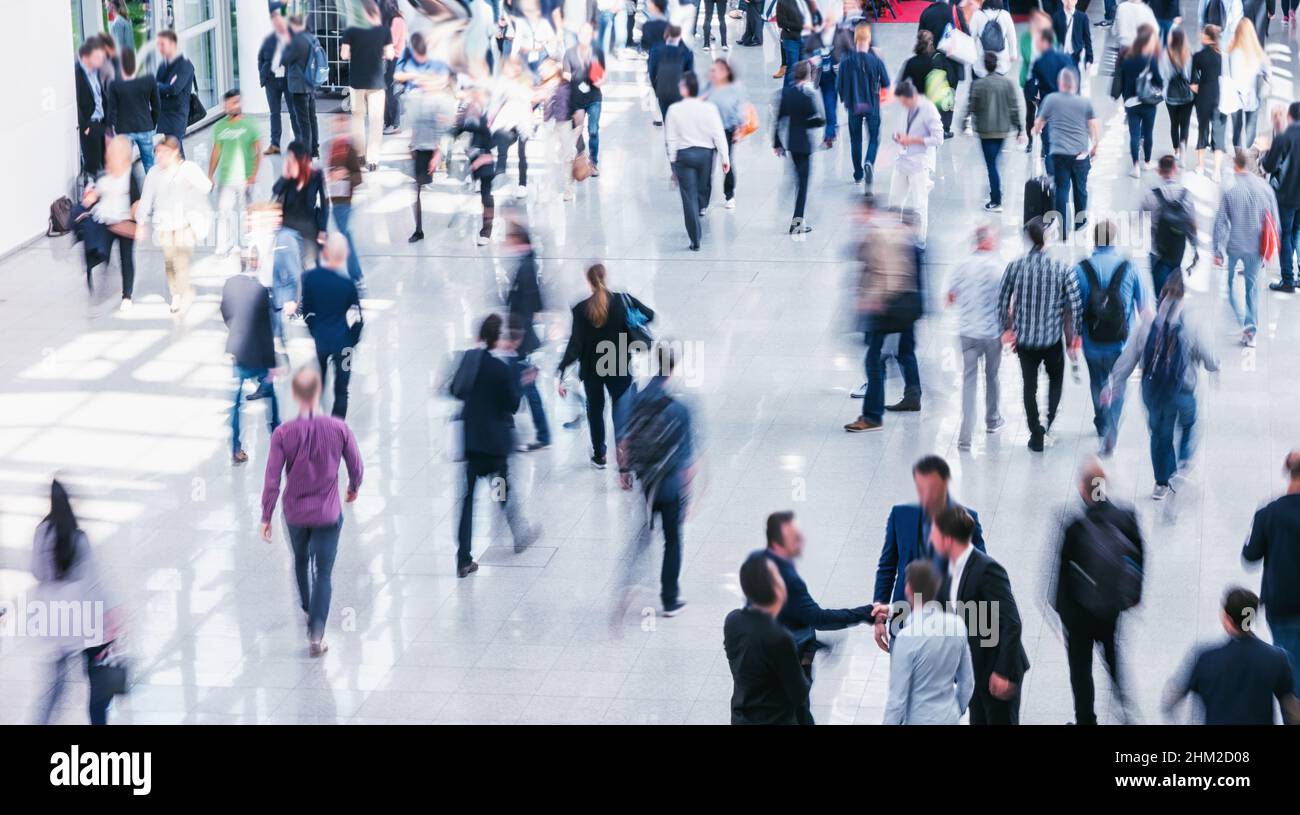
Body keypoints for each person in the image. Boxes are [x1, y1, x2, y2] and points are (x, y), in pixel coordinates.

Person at [260, 366, 363, 657]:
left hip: (294, 512)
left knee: (300, 560)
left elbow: (272, 479)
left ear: (295, 394)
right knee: (324, 574)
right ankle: (316, 633)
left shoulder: (283, 433)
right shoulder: (339, 428)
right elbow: (356, 465)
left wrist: (266, 515)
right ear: (318, 393)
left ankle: (307, 608)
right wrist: (353, 487)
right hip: (328, 513)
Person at [1103, 271, 1219, 499]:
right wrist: (1215, 367)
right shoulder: (1192, 323)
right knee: (1189, 423)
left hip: (1153, 391)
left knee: (1159, 435)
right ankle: (1184, 462)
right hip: (1182, 391)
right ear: (1183, 297)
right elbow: (1208, 357)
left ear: (1161, 296)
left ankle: (1162, 483)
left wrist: (1114, 385)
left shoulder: (1146, 324)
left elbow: (1128, 359)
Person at [1053, 457, 1145, 725]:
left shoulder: (1075, 525)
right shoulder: (1126, 517)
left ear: (1083, 489)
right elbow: (1140, 558)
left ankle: (1086, 720)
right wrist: (1132, 598)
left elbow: (1061, 572)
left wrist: (1063, 613)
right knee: (1113, 655)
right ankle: (1124, 706)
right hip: (1112, 607)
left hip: (1079, 614)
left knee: (1081, 670)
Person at [450, 313, 541, 577]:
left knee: (467, 501)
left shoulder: (468, 359)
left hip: (471, 443)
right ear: (497, 338)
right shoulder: (500, 370)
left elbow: (455, 390)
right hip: (494, 447)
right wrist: (524, 383)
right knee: (501, 490)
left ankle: (463, 558)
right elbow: (512, 404)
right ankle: (519, 533)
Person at [765, 511, 875, 712]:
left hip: (771, 660)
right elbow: (819, 619)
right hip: (790, 664)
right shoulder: (788, 581)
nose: (801, 541)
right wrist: (865, 613)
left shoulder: (761, 566)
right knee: (799, 711)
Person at [931, 505, 1030, 725]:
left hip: (997, 670)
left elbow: (1012, 623)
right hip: (974, 670)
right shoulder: (948, 571)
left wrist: (1002, 672)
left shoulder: (987, 570)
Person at [32, 480, 120, 725]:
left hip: (55, 621)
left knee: (55, 687)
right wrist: (110, 621)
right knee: (96, 683)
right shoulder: (79, 538)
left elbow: (37, 571)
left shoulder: (42, 533)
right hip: (85, 621)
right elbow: (94, 584)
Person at [620, 344, 697, 616]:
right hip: (671, 483)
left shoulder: (638, 397)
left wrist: (624, 471)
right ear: (675, 366)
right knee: (673, 538)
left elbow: (626, 438)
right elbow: (688, 460)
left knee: (644, 532)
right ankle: (669, 597)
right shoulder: (681, 407)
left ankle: (629, 582)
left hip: (646, 479)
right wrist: (687, 496)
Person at [998, 218, 1083, 451]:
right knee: (1056, 381)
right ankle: (1048, 422)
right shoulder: (1062, 269)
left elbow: (1003, 299)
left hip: (1025, 342)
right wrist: (1076, 335)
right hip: (1051, 340)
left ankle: (1035, 429)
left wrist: (1006, 329)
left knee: (1029, 386)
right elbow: (1076, 305)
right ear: (1046, 239)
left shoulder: (1015, 267)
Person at [557, 264, 654, 468]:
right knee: (621, 410)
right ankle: (624, 455)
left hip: (592, 370)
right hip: (618, 365)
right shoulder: (622, 301)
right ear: (605, 277)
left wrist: (562, 368)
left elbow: (575, 344)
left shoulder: (580, 309)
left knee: (595, 411)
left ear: (588, 281)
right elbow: (649, 315)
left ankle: (600, 455)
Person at [844, 196, 924, 432]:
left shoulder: (878, 233)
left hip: (885, 307)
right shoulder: (893, 231)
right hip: (898, 304)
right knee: (889, 355)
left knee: (875, 360)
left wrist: (872, 299)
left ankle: (872, 416)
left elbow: (883, 272)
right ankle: (895, 402)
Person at [1164, 587, 1300, 724]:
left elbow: (1171, 700)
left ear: (1226, 617)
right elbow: (1292, 711)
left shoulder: (1206, 658)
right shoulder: (1277, 658)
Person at [1073, 220, 1148, 455]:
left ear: (1094, 240)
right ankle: (1111, 434)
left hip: (1091, 343)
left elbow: (1072, 308)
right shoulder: (1130, 268)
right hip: (1121, 345)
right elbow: (1144, 310)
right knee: (1119, 385)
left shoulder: (1080, 269)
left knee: (1098, 382)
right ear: (1114, 240)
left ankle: (1101, 421)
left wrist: (1072, 340)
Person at [724, 552, 813, 725]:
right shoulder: (779, 637)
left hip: (741, 717)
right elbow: (799, 693)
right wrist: (807, 660)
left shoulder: (733, 620)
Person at [882, 561, 975, 725]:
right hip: (949, 717)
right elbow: (967, 682)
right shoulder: (957, 626)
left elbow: (897, 700)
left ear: (908, 589)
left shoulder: (906, 637)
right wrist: (955, 711)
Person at [1243, 451, 1300, 691]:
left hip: (1283, 603)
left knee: (1291, 665)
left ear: (1288, 473)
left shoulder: (1268, 513)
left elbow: (1250, 556)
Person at [136, 136, 212, 313]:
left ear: (175, 153)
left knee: (181, 261)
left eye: (163, 152)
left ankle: (183, 294)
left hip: (186, 223)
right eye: (157, 153)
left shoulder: (188, 169)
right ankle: (175, 293)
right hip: (164, 225)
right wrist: (140, 222)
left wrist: (191, 182)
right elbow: (146, 199)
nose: (159, 156)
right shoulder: (154, 173)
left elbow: (207, 186)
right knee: (169, 261)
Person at [947, 224, 1006, 450]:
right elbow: (1006, 304)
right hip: (992, 334)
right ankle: (992, 420)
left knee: (968, 382)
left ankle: (965, 435)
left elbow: (950, 298)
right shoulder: (997, 268)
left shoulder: (961, 266)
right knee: (992, 377)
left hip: (967, 333)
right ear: (988, 242)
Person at [1213, 148, 1278, 347]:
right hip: (1256, 247)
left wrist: (1217, 250)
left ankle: (1242, 320)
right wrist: (1273, 246)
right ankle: (1251, 328)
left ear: (1235, 165)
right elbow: (1274, 219)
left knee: (1230, 285)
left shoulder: (1230, 189)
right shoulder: (1264, 188)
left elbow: (1221, 222)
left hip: (1235, 245)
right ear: (1250, 166)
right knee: (1252, 289)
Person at [222, 249, 280, 464]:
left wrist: (235, 330)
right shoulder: (260, 290)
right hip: (258, 356)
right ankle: (278, 436)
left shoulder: (229, 285)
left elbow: (225, 312)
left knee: (236, 403)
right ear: (255, 265)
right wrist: (272, 363)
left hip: (238, 350)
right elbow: (266, 329)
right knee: (271, 399)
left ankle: (236, 447)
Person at [300, 235, 362, 420]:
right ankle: (336, 430)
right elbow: (357, 319)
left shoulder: (310, 279)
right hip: (344, 346)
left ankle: (315, 423)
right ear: (344, 255)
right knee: (342, 390)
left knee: (319, 383)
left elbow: (307, 311)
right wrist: (351, 341)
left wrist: (315, 330)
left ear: (325, 253)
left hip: (321, 341)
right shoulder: (348, 285)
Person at [666, 71, 730, 249]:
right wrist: (725, 157)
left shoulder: (674, 110)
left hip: (684, 156)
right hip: (705, 155)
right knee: (702, 188)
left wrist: (673, 164)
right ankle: (702, 205)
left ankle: (695, 238)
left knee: (688, 197)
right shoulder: (709, 108)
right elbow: (718, 134)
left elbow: (671, 139)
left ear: (686, 89)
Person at [504, 224, 550, 452]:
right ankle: (516, 426)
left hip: (521, 339)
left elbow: (529, 303)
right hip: (521, 336)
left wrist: (516, 338)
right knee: (520, 385)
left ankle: (542, 433)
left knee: (525, 387)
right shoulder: (527, 262)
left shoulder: (525, 267)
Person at [1033, 66, 1097, 231]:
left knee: (1062, 188)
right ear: (1075, 85)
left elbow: (1038, 125)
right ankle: (1080, 222)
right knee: (1080, 188)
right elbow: (1093, 126)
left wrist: (1037, 129)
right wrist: (1096, 145)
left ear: (1060, 84)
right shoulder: (1084, 102)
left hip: (1059, 153)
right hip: (1081, 154)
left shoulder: (1051, 100)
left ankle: (1062, 224)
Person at [83, 136, 139, 307]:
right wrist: (89, 198)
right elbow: (96, 193)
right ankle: (102, 277)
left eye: (114, 152)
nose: (109, 155)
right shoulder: (105, 176)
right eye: (109, 152)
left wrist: (138, 222)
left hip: (125, 224)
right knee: (100, 253)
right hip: (108, 223)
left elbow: (136, 201)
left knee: (126, 258)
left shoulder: (130, 176)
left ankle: (127, 296)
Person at [889, 79, 943, 247]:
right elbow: (903, 128)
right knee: (895, 201)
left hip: (919, 164)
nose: (902, 106)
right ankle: (893, 238)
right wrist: (898, 136)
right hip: (902, 161)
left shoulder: (929, 110)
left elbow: (938, 139)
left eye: (904, 102)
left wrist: (912, 140)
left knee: (919, 204)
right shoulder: (906, 107)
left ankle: (920, 241)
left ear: (911, 97)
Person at [836, 21, 890, 188]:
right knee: (873, 137)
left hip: (854, 105)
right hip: (872, 104)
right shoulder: (876, 60)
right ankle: (869, 162)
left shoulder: (845, 60)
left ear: (855, 38)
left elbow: (839, 85)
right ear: (869, 38)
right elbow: (887, 83)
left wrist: (846, 99)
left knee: (855, 140)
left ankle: (858, 174)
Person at [405, 66, 456, 242]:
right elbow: (415, 124)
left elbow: (443, 129)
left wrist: (437, 154)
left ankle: (449, 217)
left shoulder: (441, 101)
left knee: (423, 186)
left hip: (432, 148)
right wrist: (411, 144)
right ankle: (418, 229)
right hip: (420, 147)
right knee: (417, 188)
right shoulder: (418, 98)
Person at [341, 0, 394, 171]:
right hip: (377, 82)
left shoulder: (351, 30)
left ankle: (359, 155)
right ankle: (373, 160)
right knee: (376, 121)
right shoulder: (384, 30)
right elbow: (390, 54)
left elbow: (344, 55)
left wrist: (355, 52)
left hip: (356, 82)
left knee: (357, 119)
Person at [208, 89, 262, 256]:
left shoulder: (251, 124)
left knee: (246, 213)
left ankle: (247, 243)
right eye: (229, 103)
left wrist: (253, 174)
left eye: (235, 102)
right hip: (226, 179)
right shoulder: (219, 127)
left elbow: (258, 151)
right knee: (224, 212)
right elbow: (216, 152)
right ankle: (224, 245)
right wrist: (210, 176)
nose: (231, 106)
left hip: (245, 179)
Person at [773, 61, 824, 236]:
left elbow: (778, 120)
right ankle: (797, 223)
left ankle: (796, 217)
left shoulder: (786, 94)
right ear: (808, 76)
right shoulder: (809, 96)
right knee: (803, 186)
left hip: (791, 144)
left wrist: (777, 143)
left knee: (798, 181)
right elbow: (817, 120)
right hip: (805, 145)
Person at [968, 51, 1023, 212]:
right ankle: (996, 191)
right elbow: (1014, 107)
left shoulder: (978, 84)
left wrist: (965, 122)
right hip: (1003, 130)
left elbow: (971, 106)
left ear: (985, 65)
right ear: (997, 64)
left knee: (991, 165)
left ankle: (996, 200)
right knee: (995, 162)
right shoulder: (1007, 84)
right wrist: (1020, 128)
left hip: (986, 132)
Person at [1140, 154, 1198, 299]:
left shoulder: (1151, 195)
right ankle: (1172, 316)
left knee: (1159, 295)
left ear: (1159, 171)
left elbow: (1137, 218)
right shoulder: (1187, 196)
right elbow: (1192, 225)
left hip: (1157, 251)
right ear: (1175, 169)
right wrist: (1195, 248)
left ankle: (1161, 313)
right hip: (1177, 251)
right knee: (1174, 291)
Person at [1113, 26, 1162, 178]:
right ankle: (1146, 162)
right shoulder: (1151, 60)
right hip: (1148, 103)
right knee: (1147, 133)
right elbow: (1159, 82)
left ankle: (1135, 167)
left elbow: (1122, 81)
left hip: (1131, 103)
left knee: (1134, 135)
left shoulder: (1127, 59)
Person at [272, 141, 329, 263]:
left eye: (291, 157)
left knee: (313, 260)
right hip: (288, 226)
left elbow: (324, 204)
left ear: (301, 159)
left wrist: (323, 229)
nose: (288, 160)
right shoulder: (288, 178)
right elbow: (275, 191)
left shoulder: (316, 176)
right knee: (290, 261)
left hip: (308, 226)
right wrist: (284, 177)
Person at [325, 112, 365, 286]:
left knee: (345, 237)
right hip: (329, 200)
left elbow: (358, 177)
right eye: (337, 121)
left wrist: (345, 174)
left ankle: (356, 276)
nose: (339, 124)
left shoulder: (350, 148)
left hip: (343, 202)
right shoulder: (329, 145)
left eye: (342, 120)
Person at [455, 88, 499, 246]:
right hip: (474, 157)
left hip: (488, 157)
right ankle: (486, 230)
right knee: (484, 192)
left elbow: (500, 139)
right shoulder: (469, 110)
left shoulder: (491, 114)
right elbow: (457, 129)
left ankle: (486, 230)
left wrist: (488, 157)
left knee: (486, 194)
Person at [106, 47, 159, 173]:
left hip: (124, 131)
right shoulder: (149, 80)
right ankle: (152, 191)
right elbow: (157, 106)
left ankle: (129, 192)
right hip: (145, 127)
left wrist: (110, 129)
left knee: (125, 168)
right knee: (149, 165)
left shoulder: (114, 85)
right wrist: (152, 122)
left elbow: (111, 111)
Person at [563, 22, 606, 176]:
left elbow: (603, 74)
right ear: (578, 36)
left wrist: (601, 81)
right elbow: (565, 74)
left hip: (594, 96)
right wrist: (578, 79)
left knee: (593, 130)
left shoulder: (597, 52)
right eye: (583, 34)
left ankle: (593, 162)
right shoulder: (569, 53)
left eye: (588, 34)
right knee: (578, 128)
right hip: (577, 98)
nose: (585, 37)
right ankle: (581, 159)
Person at [1265, 102, 1300, 292]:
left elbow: (1269, 166)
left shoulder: (1283, 138)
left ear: (1289, 116)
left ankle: (1287, 279)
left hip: (1287, 195)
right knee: (1298, 232)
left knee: (1285, 234)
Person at [1222, 18, 1269, 154]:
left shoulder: (1231, 52)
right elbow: (1268, 73)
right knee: (1251, 125)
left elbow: (1227, 73)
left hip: (1236, 95)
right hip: (1252, 95)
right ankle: (1246, 153)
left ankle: (1238, 155)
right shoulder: (1257, 53)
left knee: (1236, 127)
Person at [704, 59, 745, 207]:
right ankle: (703, 201)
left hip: (727, 129)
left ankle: (729, 195)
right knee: (707, 166)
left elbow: (739, 108)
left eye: (715, 71)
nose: (712, 74)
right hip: (708, 131)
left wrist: (739, 129)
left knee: (726, 162)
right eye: (711, 71)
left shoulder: (735, 87)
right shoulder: (709, 86)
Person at [283, 15, 320, 159]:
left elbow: (284, 60)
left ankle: (306, 155)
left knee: (304, 122)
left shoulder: (296, 41)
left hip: (299, 88)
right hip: (311, 85)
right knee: (312, 119)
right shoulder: (312, 38)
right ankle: (315, 150)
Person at [1191, 24, 1226, 178]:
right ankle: (1217, 171)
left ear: (1206, 37)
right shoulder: (1223, 56)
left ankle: (1200, 166)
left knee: (1202, 131)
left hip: (1204, 98)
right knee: (1219, 134)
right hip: (1221, 98)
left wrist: (1203, 90)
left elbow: (1192, 84)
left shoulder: (1198, 56)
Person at [257, 8, 293, 156]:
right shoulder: (269, 40)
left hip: (288, 79)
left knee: (294, 112)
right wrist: (263, 73)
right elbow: (261, 57)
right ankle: (275, 144)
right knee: (274, 113)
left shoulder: (292, 38)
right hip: (271, 80)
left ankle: (299, 143)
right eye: (275, 21)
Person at [155, 30, 195, 157]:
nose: (160, 48)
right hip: (165, 113)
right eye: (159, 44)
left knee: (175, 149)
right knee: (171, 148)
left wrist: (162, 87)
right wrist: (164, 87)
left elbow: (174, 89)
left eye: (163, 44)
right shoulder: (163, 65)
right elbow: (157, 87)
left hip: (177, 114)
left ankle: (183, 174)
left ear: (173, 44)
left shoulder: (185, 65)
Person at [1161, 28, 1196, 165]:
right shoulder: (1188, 54)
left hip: (1171, 96)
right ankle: (1183, 153)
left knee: (1174, 123)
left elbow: (1164, 75)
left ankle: (1176, 150)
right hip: (1186, 95)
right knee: (1185, 124)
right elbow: (1189, 76)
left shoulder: (1165, 54)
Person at [74, 39, 108, 177]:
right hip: (90, 126)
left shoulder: (97, 72)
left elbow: (102, 96)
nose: (101, 60)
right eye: (97, 57)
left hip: (101, 123)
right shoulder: (77, 74)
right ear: (86, 56)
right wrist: (85, 127)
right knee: (93, 167)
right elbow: (75, 104)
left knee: (106, 163)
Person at [649, 25, 693, 125]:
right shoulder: (686, 53)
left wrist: (656, 88)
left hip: (662, 90)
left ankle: (669, 139)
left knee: (667, 120)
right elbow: (689, 74)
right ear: (680, 36)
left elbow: (651, 73)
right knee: (678, 121)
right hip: (679, 91)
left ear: (666, 35)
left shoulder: (655, 50)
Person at [969, 0, 1017, 80]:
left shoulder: (977, 15)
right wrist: (1013, 53)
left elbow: (971, 37)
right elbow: (1012, 36)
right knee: (999, 88)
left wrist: (970, 56)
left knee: (979, 87)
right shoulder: (1005, 15)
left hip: (981, 61)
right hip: (1001, 61)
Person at [380, 0, 407, 134]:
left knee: (392, 92)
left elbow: (392, 40)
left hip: (395, 59)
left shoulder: (396, 20)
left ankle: (395, 124)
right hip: (391, 58)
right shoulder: (396, 19)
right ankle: (389, 122)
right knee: (388, 91)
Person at [1052, 0, 1093, 71]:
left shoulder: (1082, 17)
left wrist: (1089, 58)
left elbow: (1087, 39)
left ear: (1076, 1)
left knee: (1074, 76)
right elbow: (1052, 38)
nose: (1069, 2)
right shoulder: (1056, 17)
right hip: (1061, 54)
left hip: (1075, 54)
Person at [774, 0, 807, 85]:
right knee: (792, 68)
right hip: (791, 39)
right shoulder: (783, 2)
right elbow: (781, 23)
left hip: (806, 39)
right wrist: (801, 26)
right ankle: (788, 95)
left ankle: (800, 95)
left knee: (804, 69)